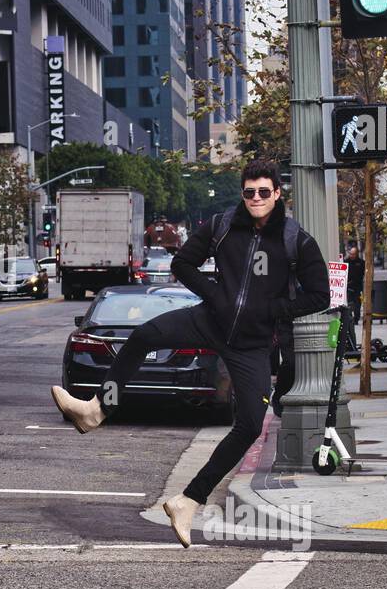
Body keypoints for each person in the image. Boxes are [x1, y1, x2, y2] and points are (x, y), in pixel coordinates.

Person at [50, 160, 329, 547]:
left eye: (264, 192)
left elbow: (321, 296)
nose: (256, 199)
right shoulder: (223, 224)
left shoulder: (295, 239)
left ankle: (188, 501)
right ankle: (96, 409)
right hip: (209, 321)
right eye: (249, 192)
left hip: (252, 344)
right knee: (144, 335)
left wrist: (269, 311)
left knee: (249, 425)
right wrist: (215, 295)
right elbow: (183, 263)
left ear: (278, 193)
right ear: (242, 193)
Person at [344, 241, 365, 325]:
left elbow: (363, 273)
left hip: (357, 287)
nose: (352, 256)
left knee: (357, 304)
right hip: (348, 286)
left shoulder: (361, 262)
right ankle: (350, 318)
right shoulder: (346, 262)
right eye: (350, 254)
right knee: (348, 303)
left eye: (353, 254)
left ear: (356, 254)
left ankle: (356, 318)